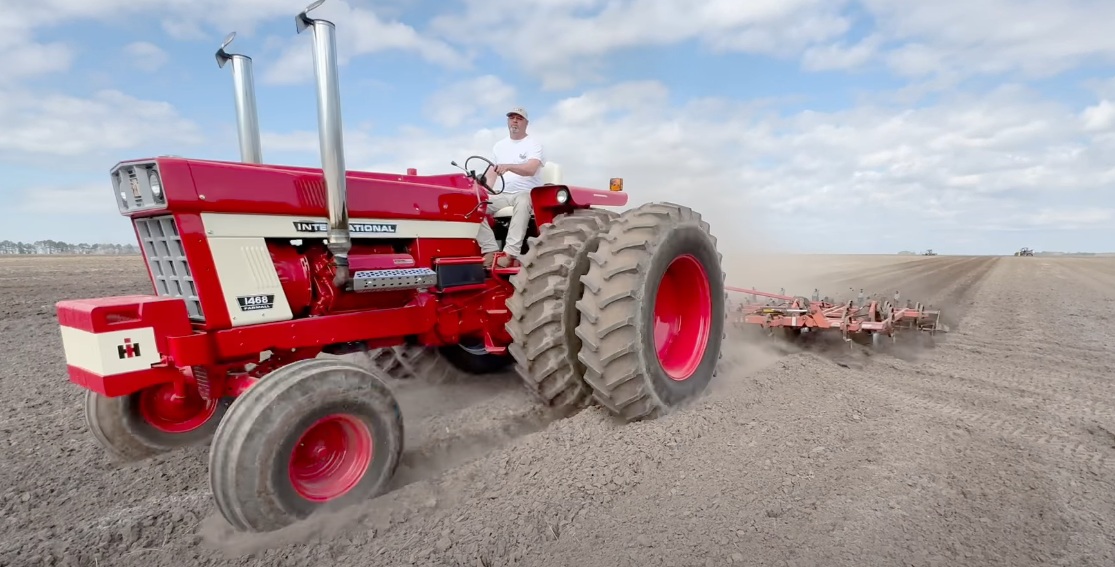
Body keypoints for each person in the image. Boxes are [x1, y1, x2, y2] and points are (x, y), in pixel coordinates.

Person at [475, 107, 544, 268]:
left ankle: (509, 254)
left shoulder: (534, 144)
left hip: (527, 193)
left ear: (526, 123)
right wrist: (482, 193)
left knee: (522, 201)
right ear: (507, 121)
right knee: (474, 206)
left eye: (519, 118)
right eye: (511, 117)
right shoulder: (499, 146)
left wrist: (509, 166)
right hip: (503, 194)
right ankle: (490, 249)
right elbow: (492, 173)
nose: (514, 121)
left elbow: (531, 169)